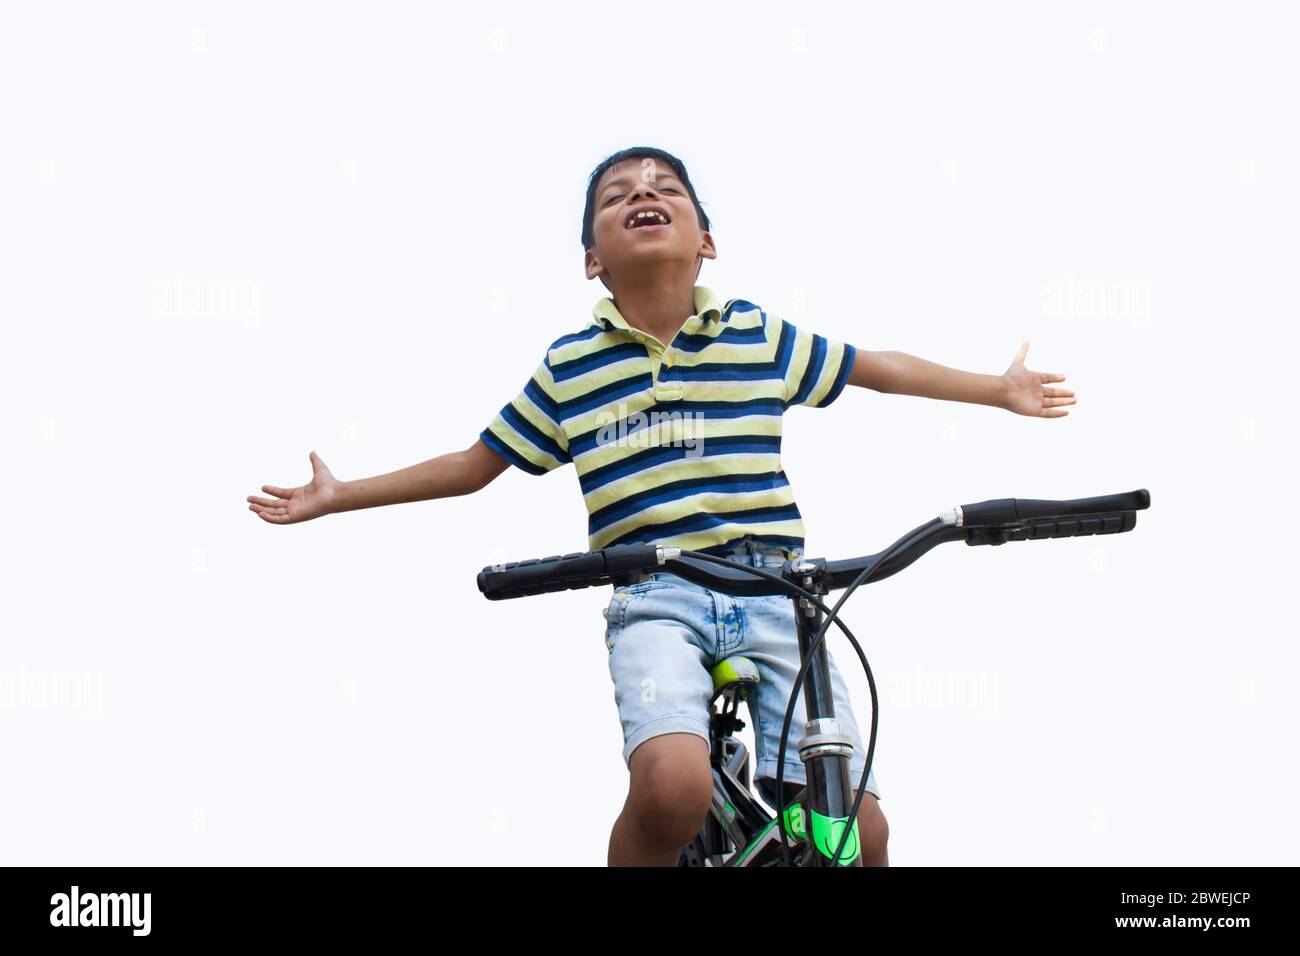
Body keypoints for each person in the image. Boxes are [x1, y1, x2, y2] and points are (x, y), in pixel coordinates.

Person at [247, 146, 1075, 867]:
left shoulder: (757, 334)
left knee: (855, 824)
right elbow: (473, 465)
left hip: (782, 592)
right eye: (616, 196)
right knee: (672, 790)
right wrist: (341, 495)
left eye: (666, 186)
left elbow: (876, 366)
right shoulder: (572, 366)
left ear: (706, 242)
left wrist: (996, 391)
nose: (644, 193)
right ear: (591, 261)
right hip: (657, 593)